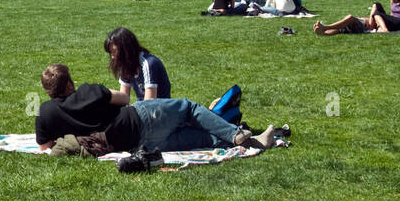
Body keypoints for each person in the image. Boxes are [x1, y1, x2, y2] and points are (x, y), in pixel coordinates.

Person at [34, 64, 274, 154]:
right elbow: (124, 99)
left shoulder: (45, 114)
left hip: (136, 145)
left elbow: (45, 147)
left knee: (203, 139)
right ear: (69, 84)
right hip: (140, 118)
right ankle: (235, 134)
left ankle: (253, 143)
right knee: (188, 108)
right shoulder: (88, 91)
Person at [104, 27, 171, 100]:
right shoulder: (126, 64)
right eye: (111, 53)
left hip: (159, 106)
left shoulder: (149, 64)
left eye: (114, 51)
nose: (112, 57)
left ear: (126, 48)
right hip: (143, 105)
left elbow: (150, 102)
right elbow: (123, 98)